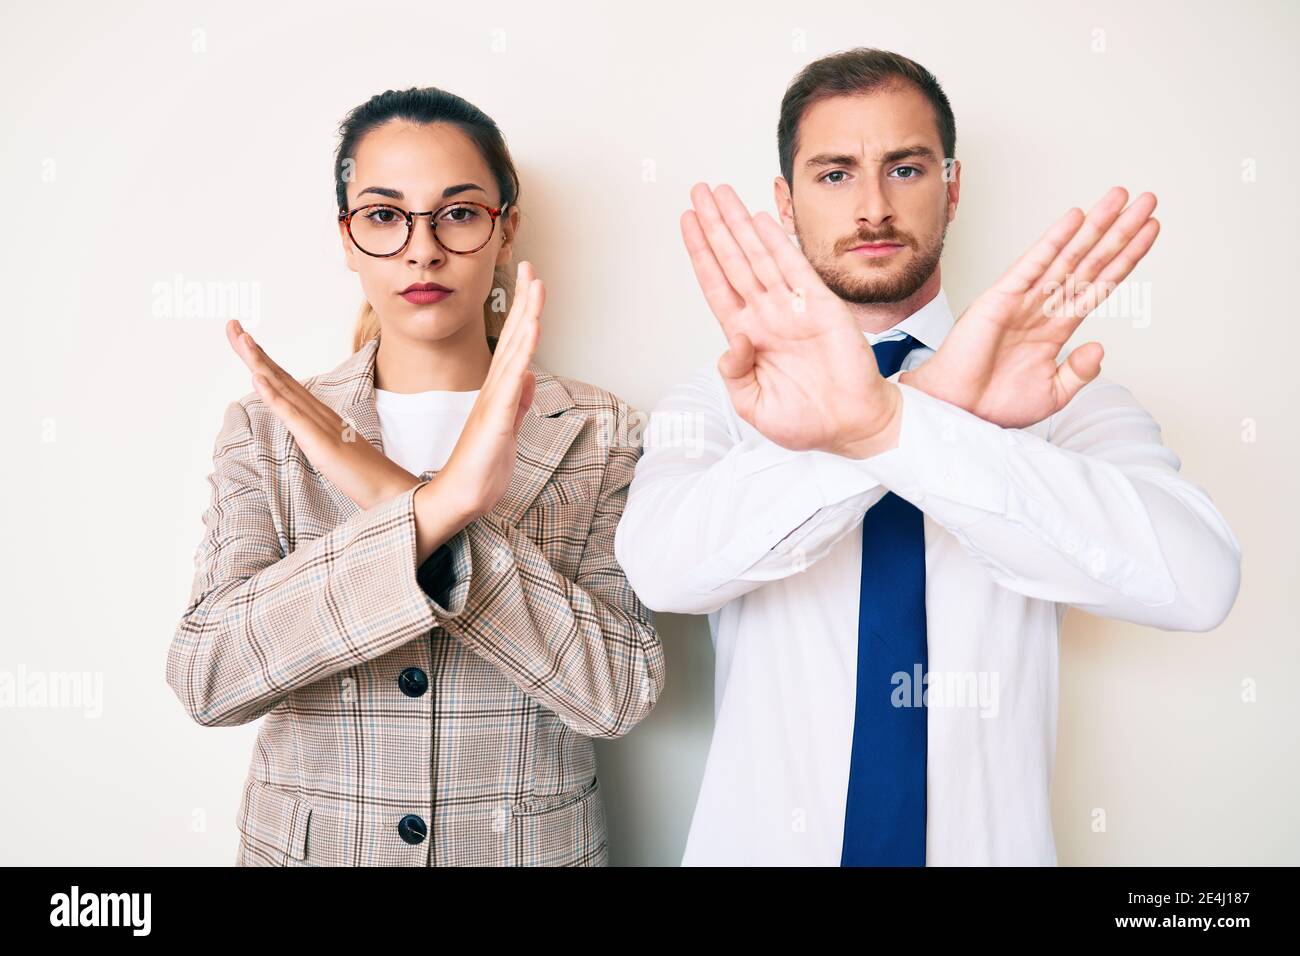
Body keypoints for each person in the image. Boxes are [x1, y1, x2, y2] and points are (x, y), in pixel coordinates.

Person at [614, 48, 1241, 866]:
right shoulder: (721, 400)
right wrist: (916, 415)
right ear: (786, 199)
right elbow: (664, 572)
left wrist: (899, 426)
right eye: (834, 174)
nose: (872, 207)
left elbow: (1199, 583)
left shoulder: (1061, 394)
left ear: (951, 185)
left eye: (904, 168)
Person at [166, 87, 664, 866]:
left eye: (459, 213)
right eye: (384, 214)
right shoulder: (266, 428)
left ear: (507, 231)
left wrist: (412, 502)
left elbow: (619, 692)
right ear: (348, 236)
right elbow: (209, 674)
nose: (422, 249)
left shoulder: (600, 432)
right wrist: (436, 512)